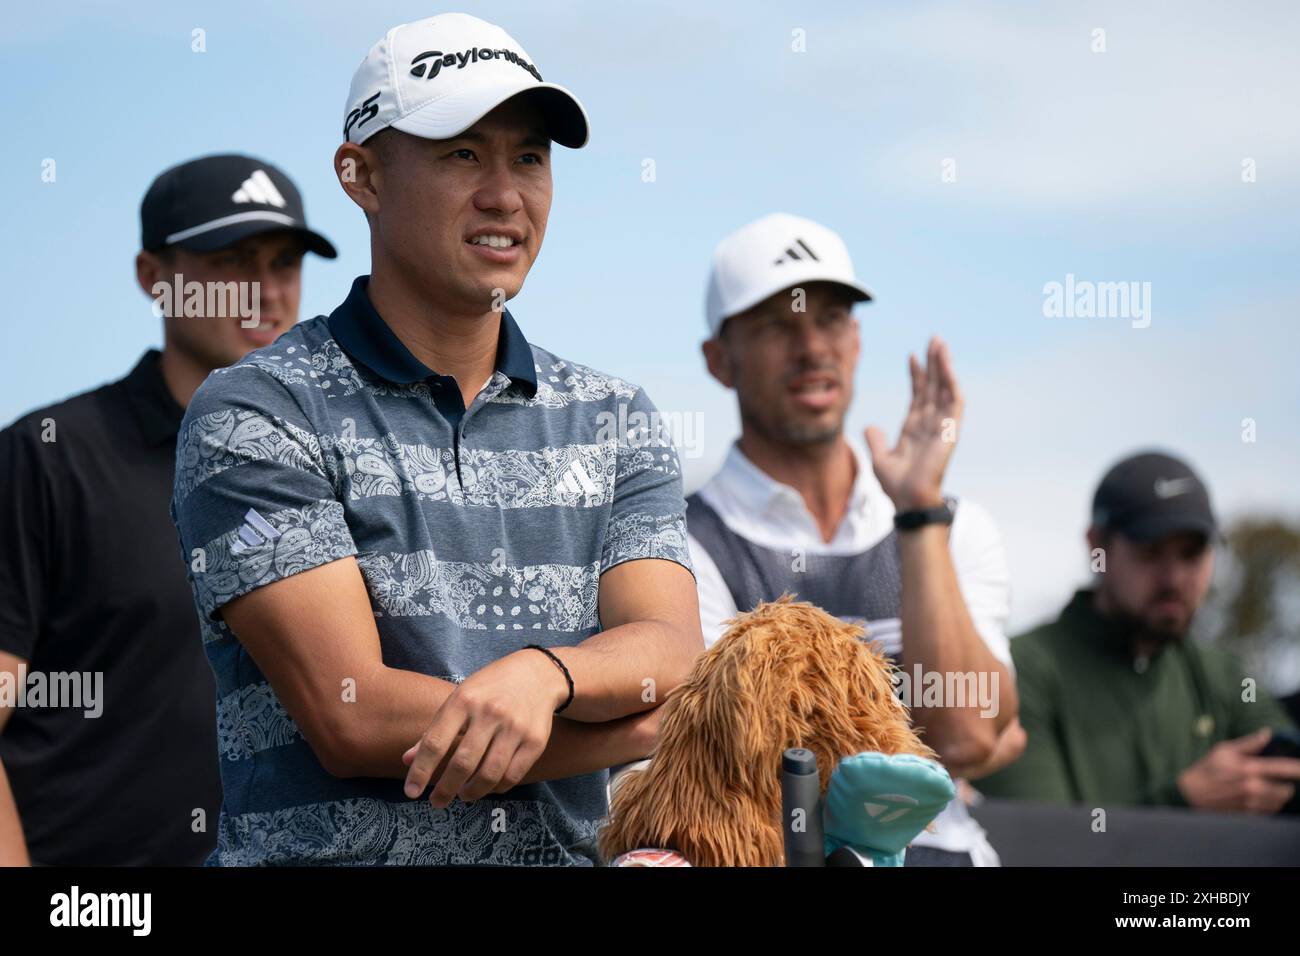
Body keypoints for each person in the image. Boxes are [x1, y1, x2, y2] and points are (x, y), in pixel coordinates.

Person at [169, 13, 702, 866]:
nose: (505, 195)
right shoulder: (256, 411)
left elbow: (669, 649)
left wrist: (543, 675)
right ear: (362, 175)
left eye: (528, 157)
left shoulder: (615, 416)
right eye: (462, 153)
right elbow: (356, 717)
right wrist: (630, 722)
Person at [0, 154, 336, 865]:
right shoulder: (48, 457)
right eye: (234, 260)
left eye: (284, 263)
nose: (266, 291)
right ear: (154, 277)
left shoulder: (330, 469)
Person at [687, 213, 1024, 866]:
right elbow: (735, 764)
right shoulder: (680, 542)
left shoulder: (950, 523)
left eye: (831, 318)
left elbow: (963, 730)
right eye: (777, 325)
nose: (812, 346)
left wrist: (920, 513)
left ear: (858, 339)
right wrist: (945, 742)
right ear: (718, 361)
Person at [978, 451, 1300, 812]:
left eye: (1191, 554)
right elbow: (1038, 845)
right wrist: (1183, 804)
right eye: (1151, 551)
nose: (1174, 578)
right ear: (1097, 546)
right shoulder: (1018, 673)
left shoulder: (1223, 675)